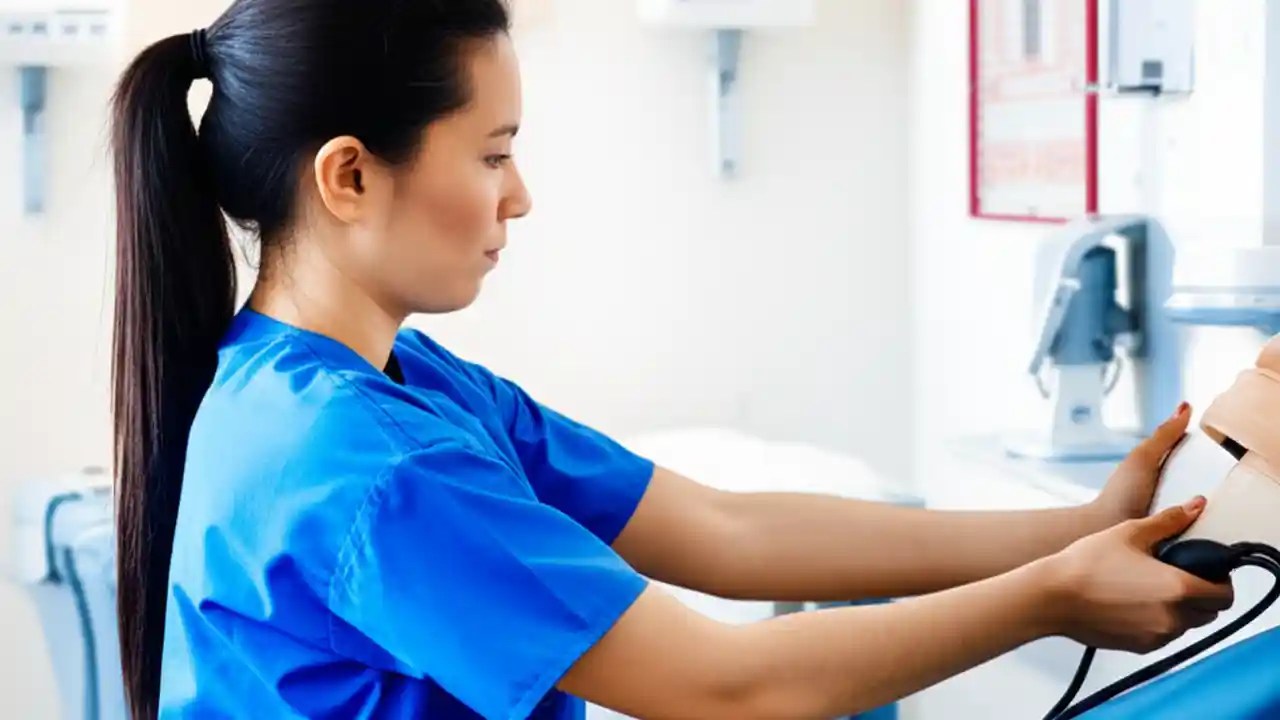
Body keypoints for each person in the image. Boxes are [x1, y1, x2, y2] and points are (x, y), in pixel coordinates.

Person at [108, 1, 1233, 718]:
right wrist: (1046, 600)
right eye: (492, 153)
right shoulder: (360, 461)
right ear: (348, 177)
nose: (519, 195)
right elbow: (725, 688)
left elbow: (725, 532)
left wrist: (1073, 531)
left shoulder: (393, 386)